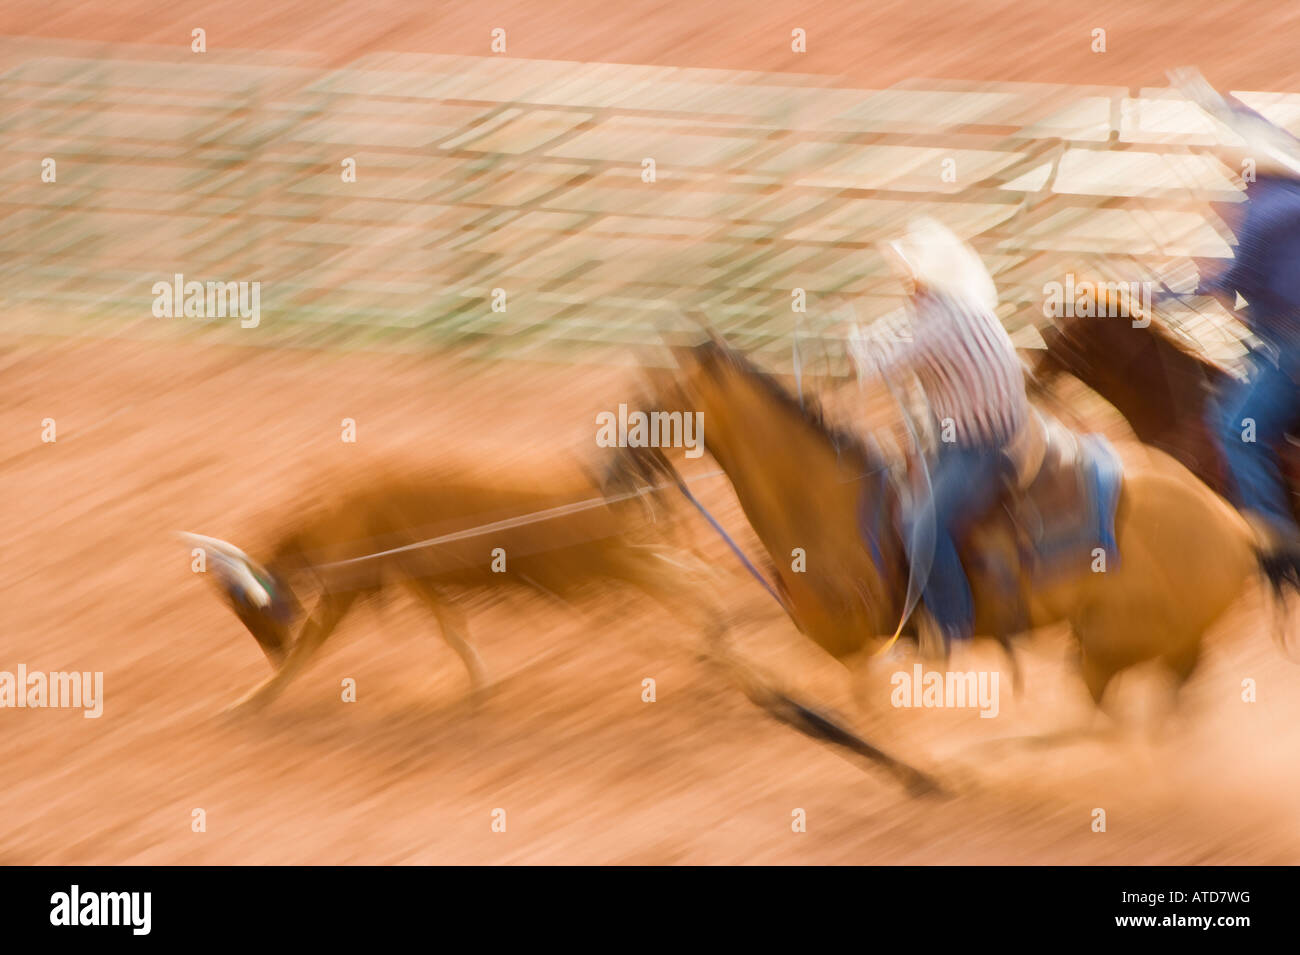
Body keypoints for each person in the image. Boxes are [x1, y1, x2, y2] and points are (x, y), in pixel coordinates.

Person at [851, 218, 1030, 646]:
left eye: (909, 277)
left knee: (919, 527)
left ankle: (952, 626)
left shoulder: (936, 322)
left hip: (978, 445)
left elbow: (878, 368)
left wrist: (853, 341)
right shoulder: (959, 302)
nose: (905, 285)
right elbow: (901, 336)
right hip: (989, 429)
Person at [1172, 68, 1300, 557]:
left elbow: (1230, 281)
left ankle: (1272, 536)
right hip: (1279, 335)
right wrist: (1211, 100)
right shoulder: (1284, 197)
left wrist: (1156, 293)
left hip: (1288, 343)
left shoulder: (1263, 210)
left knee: (1236, 429)